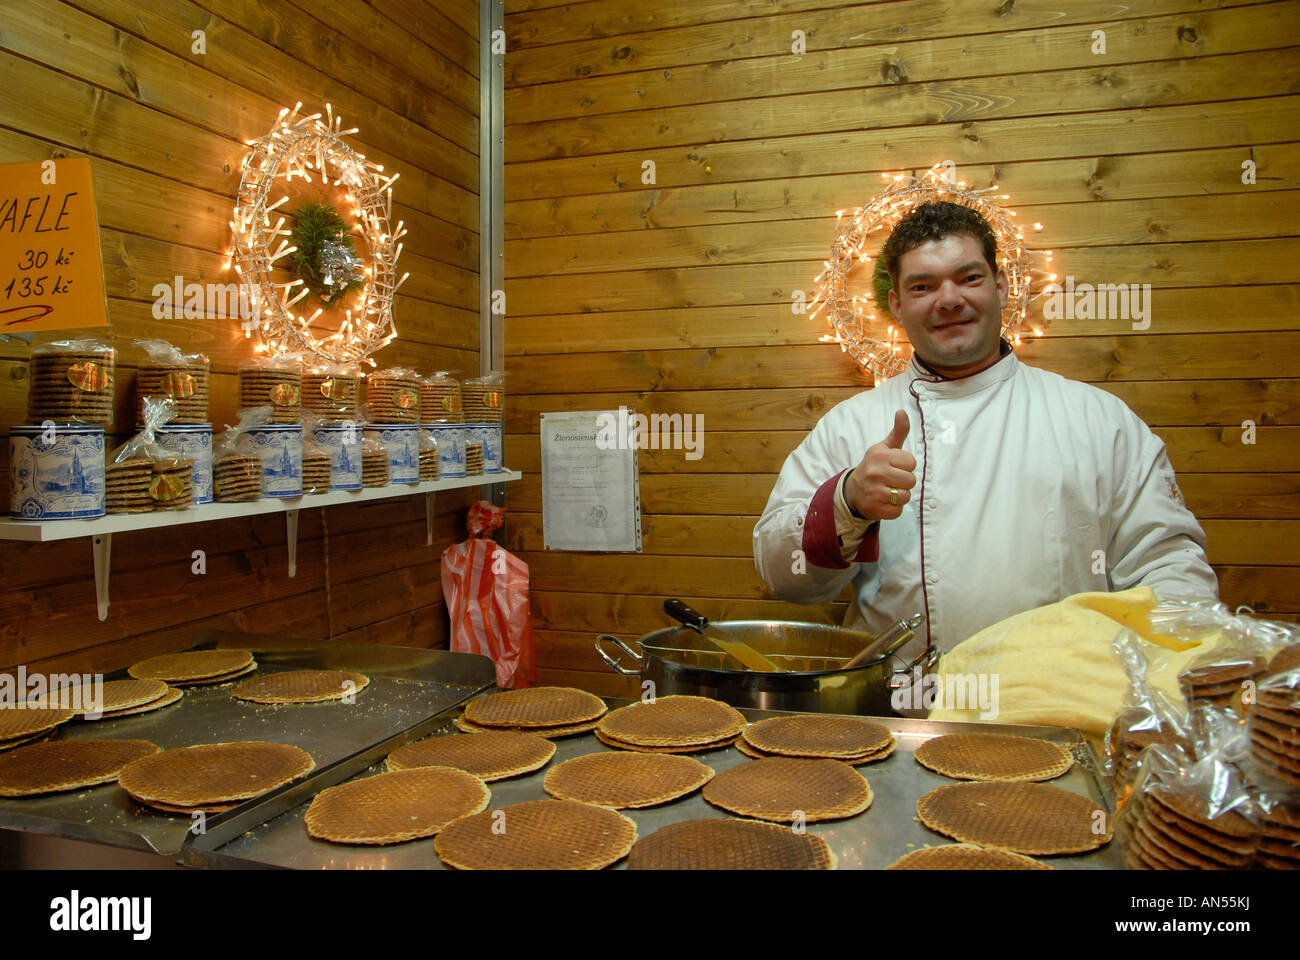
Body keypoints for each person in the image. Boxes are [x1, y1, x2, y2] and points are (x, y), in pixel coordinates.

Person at [753, 201, 1218, 659]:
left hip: (1056, 714)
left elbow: (1169, 568)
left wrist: (1167, 686)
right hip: (901, 712)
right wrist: (847, 502)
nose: (949, 299)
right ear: (897, 304)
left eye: (969, 277)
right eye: (923, 286)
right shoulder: (850, 425)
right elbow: (785, 579)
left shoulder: (1099, 420)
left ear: (1000, 284)